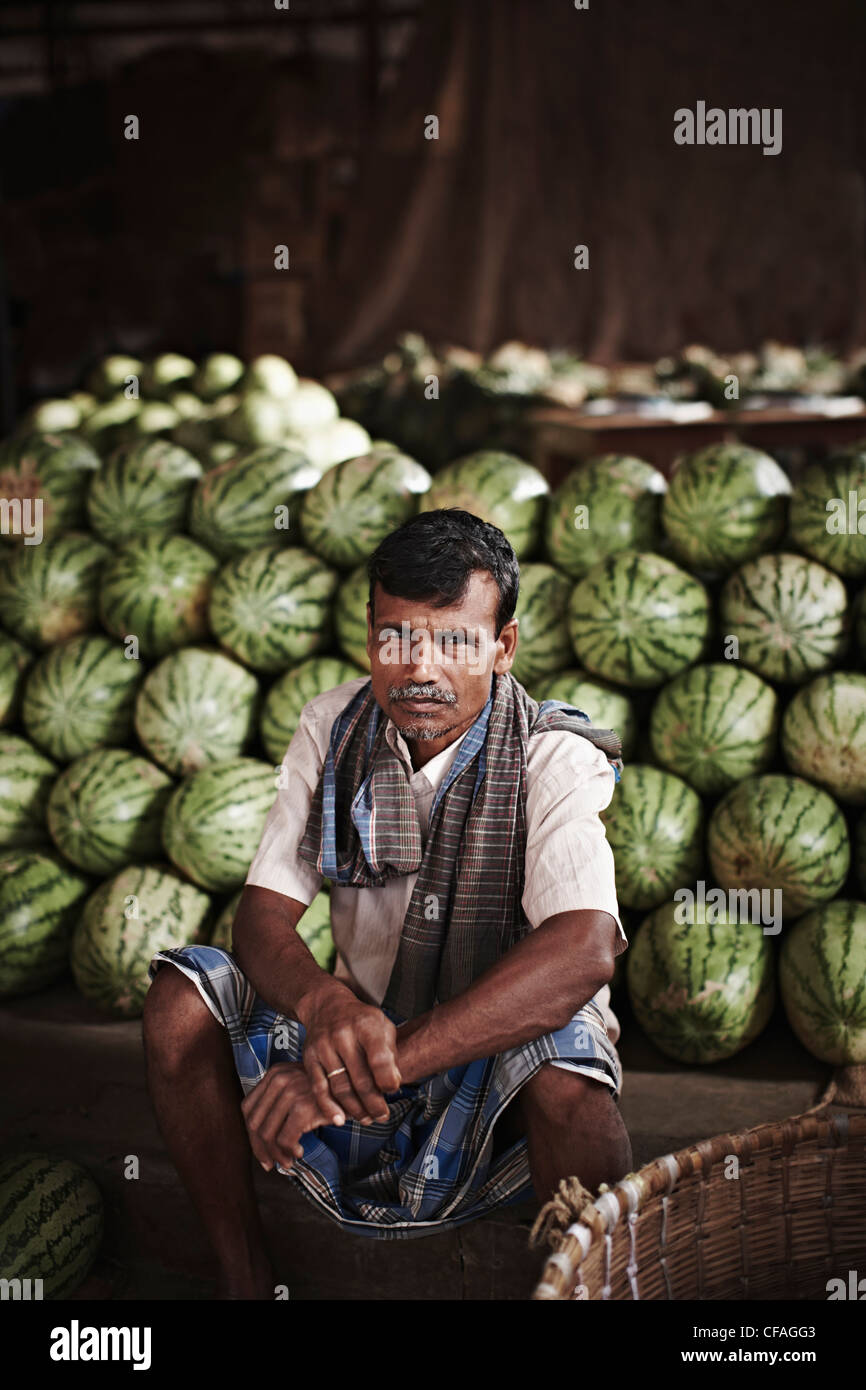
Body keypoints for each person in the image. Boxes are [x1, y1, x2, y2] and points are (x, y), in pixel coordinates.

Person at [142, 508, 633, 1299]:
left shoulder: (553, 755)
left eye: (455, 640)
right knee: (178, 1000)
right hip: (357, 1033)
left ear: (502, 648)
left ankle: (593, 1286)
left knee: (567, 1069)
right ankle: (243, 1277)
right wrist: (325, 1006)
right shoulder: (332, 727)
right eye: (396, 637)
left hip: (482, 1063)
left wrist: (375, 1066)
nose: (419, 669)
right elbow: (263, 917)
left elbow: (584, 951)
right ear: (369, 633)